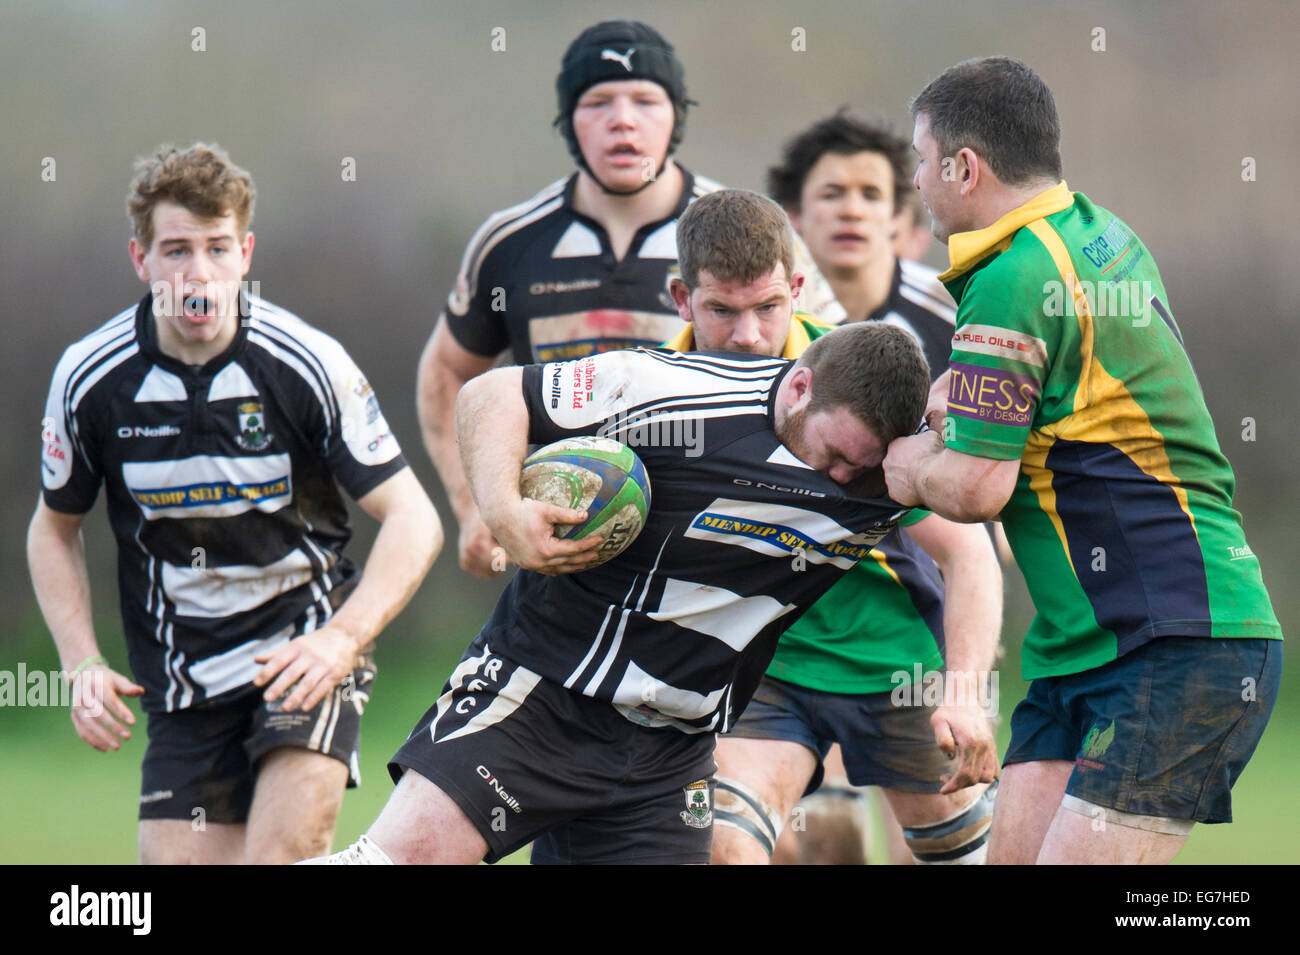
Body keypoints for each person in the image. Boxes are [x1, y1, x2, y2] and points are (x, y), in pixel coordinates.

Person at [307, 204, 941, 865]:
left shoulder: (883, 474)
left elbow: (976, 495)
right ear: (800, 388)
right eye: (833, 455)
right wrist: (502, 514)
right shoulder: (665, 386)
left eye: (857, 468)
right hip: (543, 694)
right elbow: (490, 395)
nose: (839, 479)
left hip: (670, 752)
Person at [883, 56, 1283, 864]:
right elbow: (1060, 397)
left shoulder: (1014, 274)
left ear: (966, 167)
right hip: (1085, 651)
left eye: (922, 162)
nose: (918, 185)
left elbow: (973, 485)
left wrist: (900, 462)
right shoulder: (1098, 234)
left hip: (1177, 639)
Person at [27, 143, 442, 864]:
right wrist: (80, 663)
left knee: (280, 855)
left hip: (300, 652)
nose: (198, 272)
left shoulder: (305, 362)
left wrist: (341, 640)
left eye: (217, 247)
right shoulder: (90, 378)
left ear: (245, 253)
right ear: (141, 259)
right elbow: (52, 530)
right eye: (177, 249)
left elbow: (415, 518)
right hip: (183, 682)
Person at [416, 18, 841, 580]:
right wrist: (475, 505)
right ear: (569, 122)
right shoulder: (510, 243)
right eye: (598, 102)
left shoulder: (748, 233)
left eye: (645, 99)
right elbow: (448, 371)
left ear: (677, 116)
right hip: (561, 548)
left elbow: (838, 376)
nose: (623, 120)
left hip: (713, 552)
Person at [662, 190, 1002, 866]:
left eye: (767, 308)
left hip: (893, 666)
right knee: (717, 845)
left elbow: (971, 556)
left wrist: (964, 695)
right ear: (681, 299)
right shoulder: (660, 393)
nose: (748, 335)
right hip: (761, 670)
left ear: (795, 287)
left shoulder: (865, 383)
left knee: (971, 856)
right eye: (721, 311)